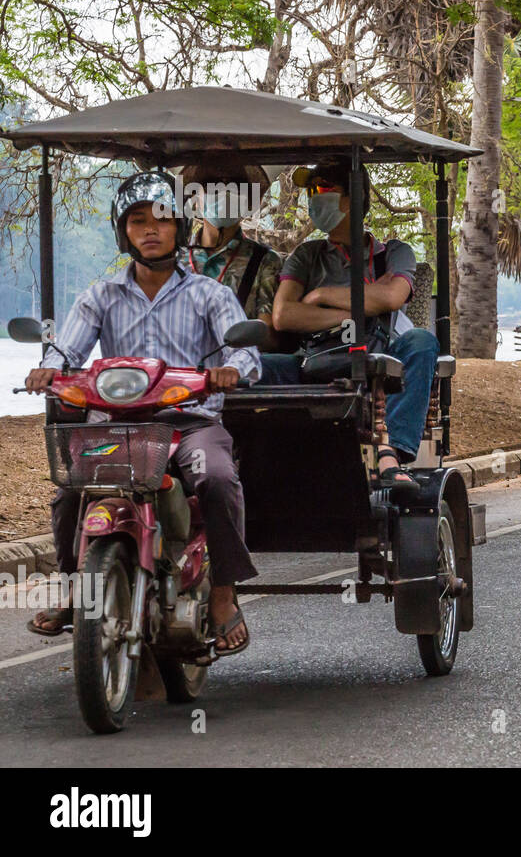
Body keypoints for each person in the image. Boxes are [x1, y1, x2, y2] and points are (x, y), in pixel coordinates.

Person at [24, 172, 260, 657]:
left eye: (161, 220)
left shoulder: (208, 294)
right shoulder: (101, 295)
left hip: (191, 425)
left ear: (179, 228)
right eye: (137, 221)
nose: (150, 230)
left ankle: (223, 594)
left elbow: (247, 354)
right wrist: (48, 370)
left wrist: (230, 370)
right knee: (71, 489)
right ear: (123, 232)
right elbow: (64, 350)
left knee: (217, 479)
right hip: (117, 428)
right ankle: (75, 589)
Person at [261, 157, 437, 490]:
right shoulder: (306, 254)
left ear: (353, 197)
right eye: (310, 191)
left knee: (421, 342)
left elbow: (391, 298)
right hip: (314, 360)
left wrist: (319, 294)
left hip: (375, 359)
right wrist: (356, 310)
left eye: (323, 189)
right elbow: (284, 315)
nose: (314, 198)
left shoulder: (394, 253)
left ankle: (391, 451)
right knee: (250, 366)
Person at [181, 159, 283, 344]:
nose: (225, 192)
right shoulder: (172, 260)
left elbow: (266, 330)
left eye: (237, 187)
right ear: (195, 200)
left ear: (248, 202)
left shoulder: (264, 261)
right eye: (211, 185)